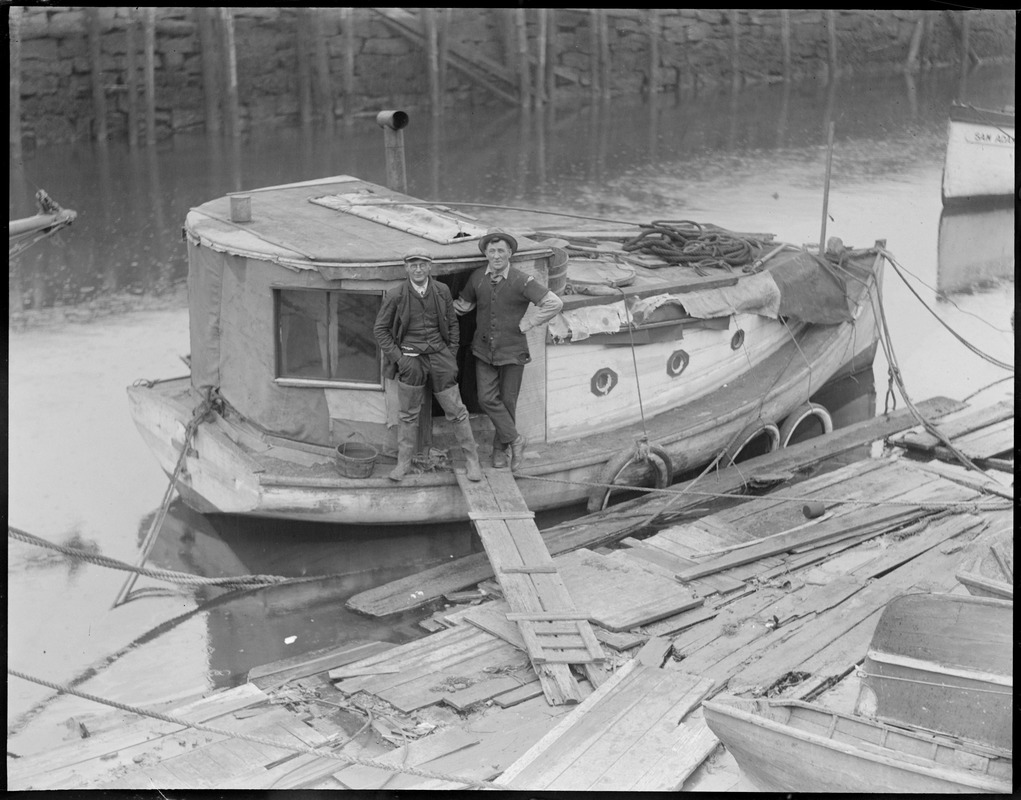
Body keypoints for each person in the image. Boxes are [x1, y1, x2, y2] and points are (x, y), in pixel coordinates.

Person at [454, 229, 563, 471]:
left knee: (508, 401)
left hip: (513, 352)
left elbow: (554, 302)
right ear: (485, 253)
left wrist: (530, 322)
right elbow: (464, 305)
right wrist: (437, 309)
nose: (496, 255)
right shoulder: (477, 278)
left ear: (510, 253)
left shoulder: (521, 280)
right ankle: (516, 439)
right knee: (486, 398)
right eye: (491, 251)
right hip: (483, 351)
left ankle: (499, 452)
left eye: (501, 250)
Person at [373, 248, 482, 482]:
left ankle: (473, 461)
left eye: (422, 264)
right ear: (406, 268)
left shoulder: (441, 291)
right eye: (413, 265)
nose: (418, 269)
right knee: (408, 415)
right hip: (410, 360)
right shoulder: (396, 295)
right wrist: (400, 358)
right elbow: (380, 330)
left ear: (430, 267)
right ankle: (403, 463)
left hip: (440, 357)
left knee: (456, 411)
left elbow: (453, 324)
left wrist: (450, 355)